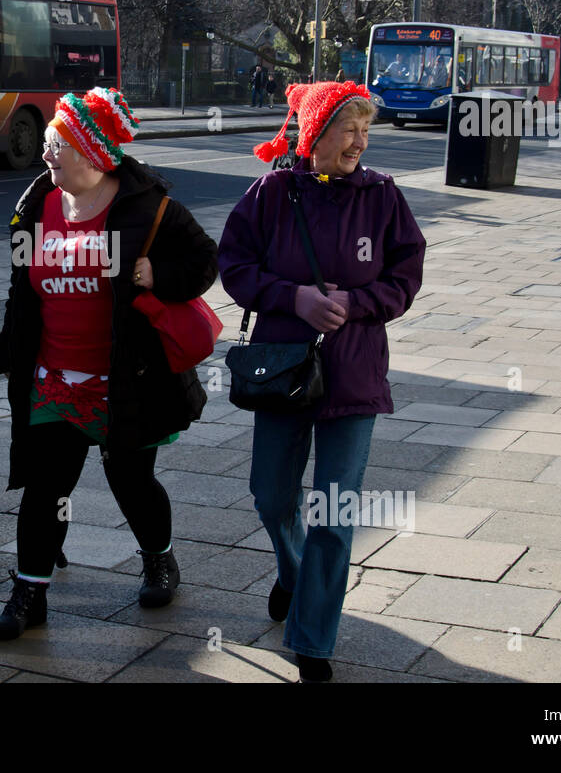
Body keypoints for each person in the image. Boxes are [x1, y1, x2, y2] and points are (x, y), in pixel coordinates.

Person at [0, 88, 218, 640]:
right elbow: (24, 288)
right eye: (46, 143)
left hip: (127, 379)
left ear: (91, 152)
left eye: (55, 145)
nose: (46, 155)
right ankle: (29, 590)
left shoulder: (147, 207)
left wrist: (158, 275)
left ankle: (159, 557)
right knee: (46, 487)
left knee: (131, 483)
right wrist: (12, 349)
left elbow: (204, 260)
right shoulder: (35, 204)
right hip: (53, 377)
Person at [218, 80, 425, 683]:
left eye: (366, 131)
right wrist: (295, 299)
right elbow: (234, 265)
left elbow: (406, 277)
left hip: (354, 375)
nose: (359, 142)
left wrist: (358, 302)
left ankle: (311, 640)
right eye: (348, 130)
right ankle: (293, 570)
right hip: (283, 369)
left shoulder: (383, 196)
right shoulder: (272, 193)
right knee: (271, 497)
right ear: (315, 133)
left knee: (334, 512)